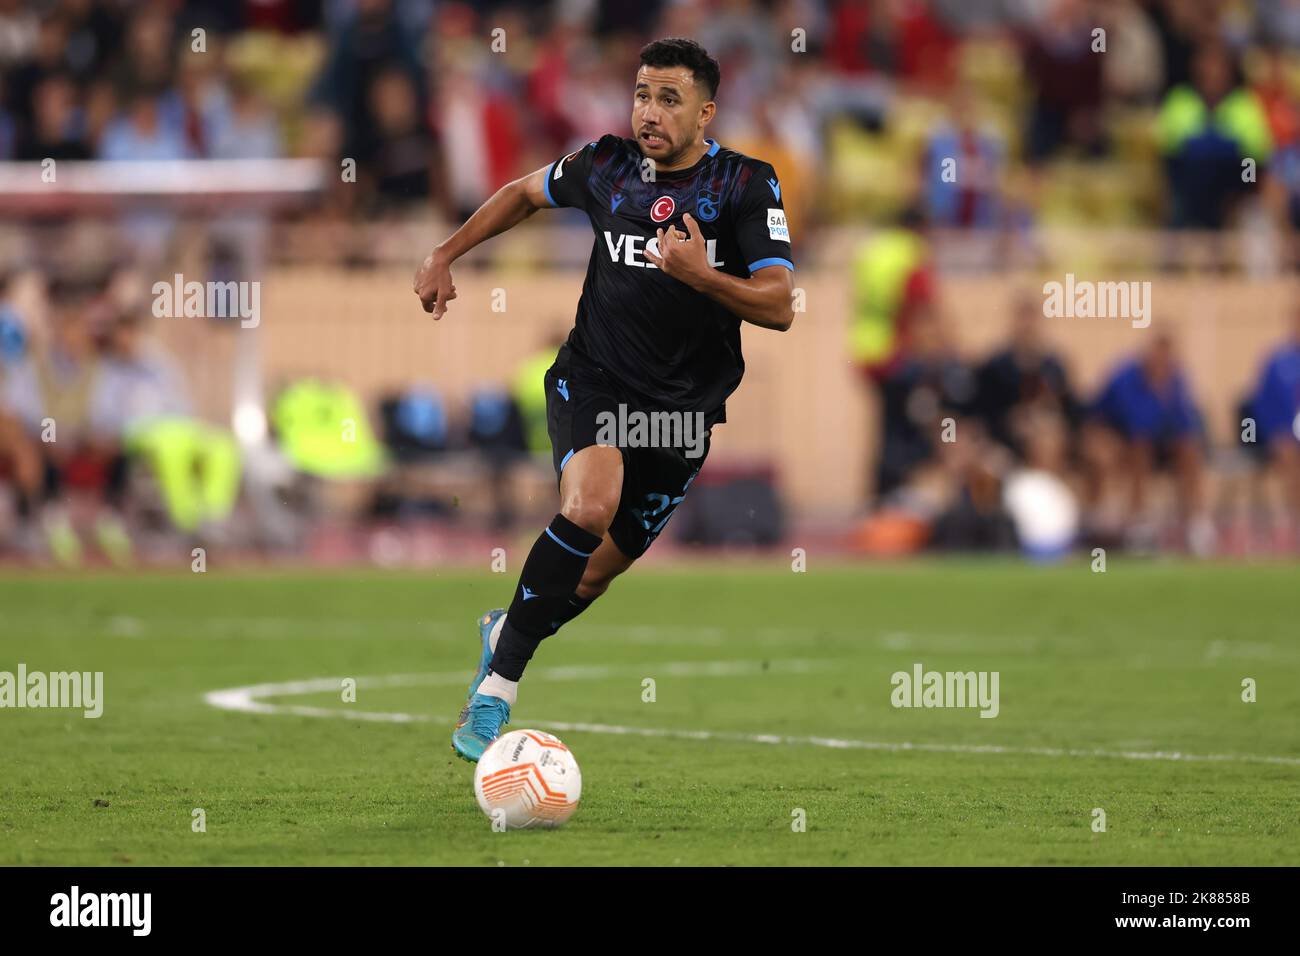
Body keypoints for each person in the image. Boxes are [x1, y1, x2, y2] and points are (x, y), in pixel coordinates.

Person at [413, 38, 795, 761]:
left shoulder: (745, 185)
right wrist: (446, 252)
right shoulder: (607, 165)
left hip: (682, 415)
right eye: (642, 94)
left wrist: (700, 274)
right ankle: (497, 691)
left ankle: (505, 632)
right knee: (587, 505)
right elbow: (525, 193)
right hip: (593, 378)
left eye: (669, 99)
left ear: (706, 112)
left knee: (588, 574)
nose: (649, 111)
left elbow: (779, 305)